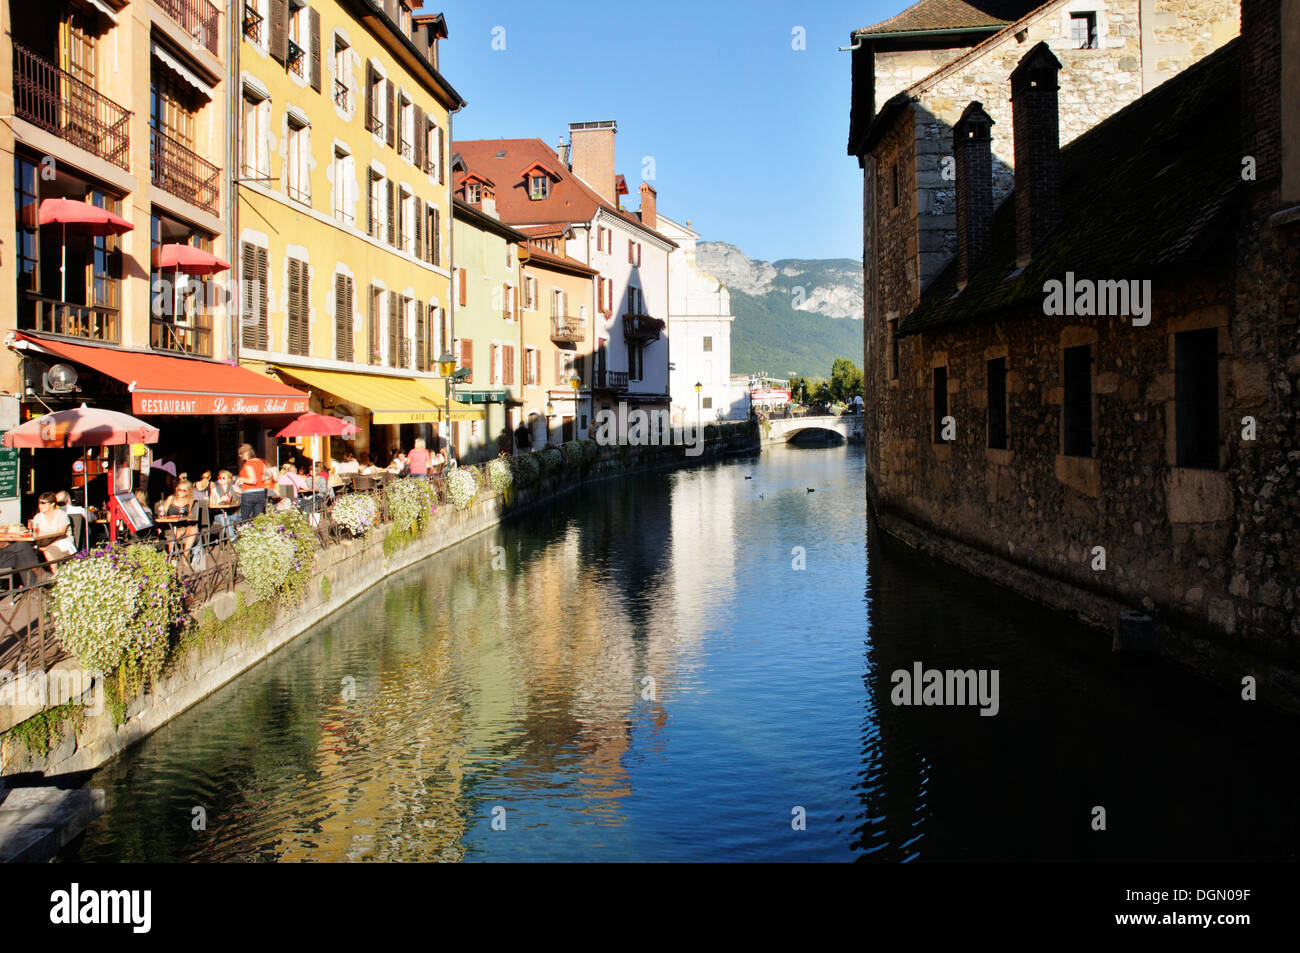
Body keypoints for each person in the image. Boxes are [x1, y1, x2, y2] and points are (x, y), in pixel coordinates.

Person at [31, 492, 76, 569]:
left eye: (43, 503)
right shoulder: (38, 517)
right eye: (39, 503)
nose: (40, 506)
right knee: (28, 552)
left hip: (61, 541)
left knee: (48, 551)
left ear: (52, 504)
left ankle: (56, 577)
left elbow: (61, 533)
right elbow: (36, 533)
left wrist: (47, 546)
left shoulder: (61, 515)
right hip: (43, 543)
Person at [162, 481, 199, 555]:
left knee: (194, 529)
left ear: (188, 491)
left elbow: (189, 515)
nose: (181, 492)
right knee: (179, 532)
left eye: (184, 490)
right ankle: (170, 554)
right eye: (179, 490)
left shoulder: (190, 500)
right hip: (170, 525)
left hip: (183, 525)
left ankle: (185, 554)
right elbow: (163, 512)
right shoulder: (171, 498)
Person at [236, 444, 270, 523]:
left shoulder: (248, 464)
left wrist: (241, 479)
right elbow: (269, 474)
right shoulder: (260, 462)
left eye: (241, 453)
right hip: (261, 493)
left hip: (249, 494)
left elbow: (252, 480)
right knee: (258, 520)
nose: (239, 455)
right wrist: (262, 478)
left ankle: (244, 534)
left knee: (245, 519)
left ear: (246, 453)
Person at [208, 470, 240, 539]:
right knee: (224, 518)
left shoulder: (233, 487)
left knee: (241, 518)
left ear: (229, 479)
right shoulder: (214, 490)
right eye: (219, 477)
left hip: (232, 513)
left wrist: (238, 495)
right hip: (219, 514)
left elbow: (244, 495)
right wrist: (220, 500)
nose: (221, 479)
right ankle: (233, 538)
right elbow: (211, 504)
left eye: (223, 478)